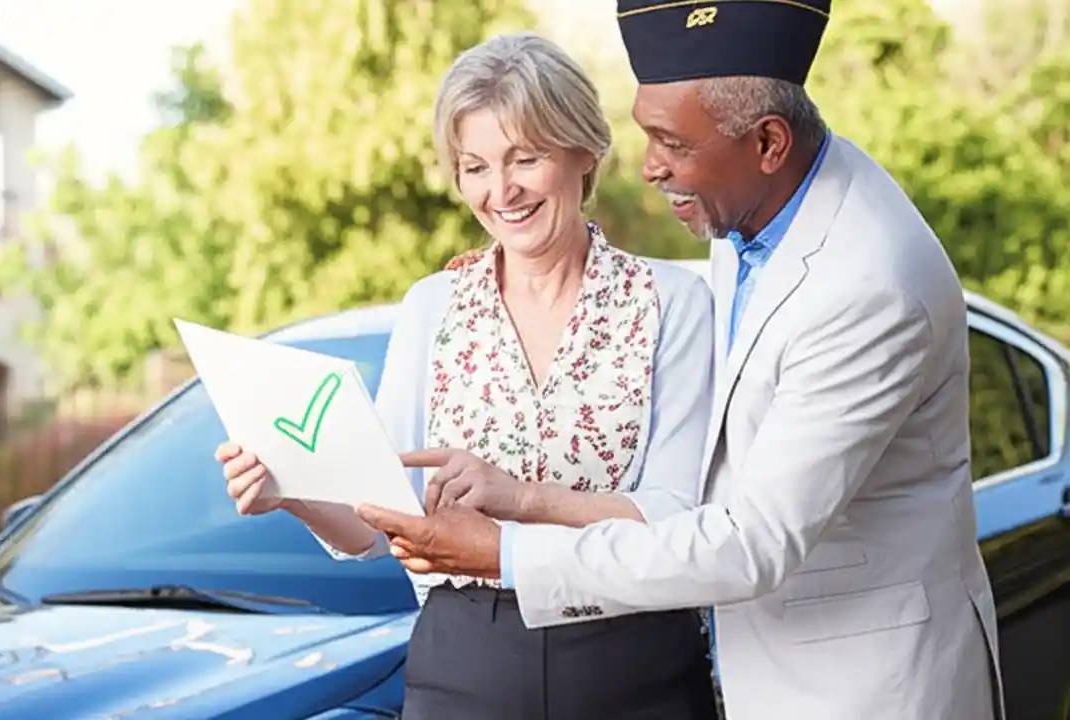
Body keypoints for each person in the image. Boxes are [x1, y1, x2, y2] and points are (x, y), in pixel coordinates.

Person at [355, 3, 1007, 720]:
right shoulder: (748, 217)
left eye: (672, 142)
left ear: (767, 142)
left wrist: (504, 549)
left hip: (854, 685)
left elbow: (749, 541)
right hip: (747, 663)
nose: (650, 166)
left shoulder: (867, 284)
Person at [217, 32, 721, 720]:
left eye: (526, 158)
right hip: (464, 664)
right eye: (474, 166)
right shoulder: (434, 306)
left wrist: (516, 499)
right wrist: (289, 490)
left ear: (584, 151)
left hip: (633, 656)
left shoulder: (672, 302)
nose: (500, 191)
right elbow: (377, 520)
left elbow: (675, 515)